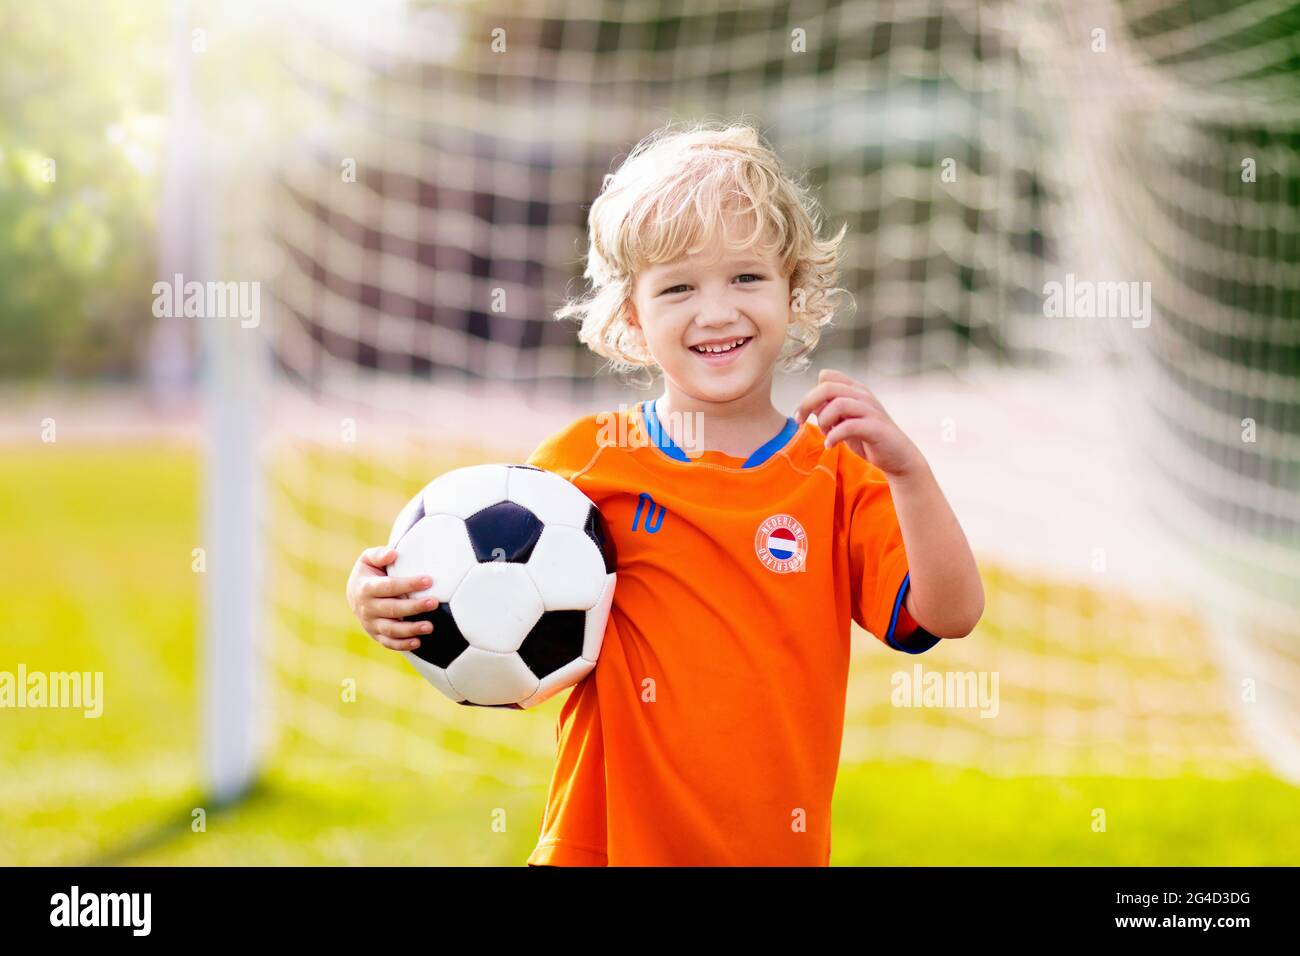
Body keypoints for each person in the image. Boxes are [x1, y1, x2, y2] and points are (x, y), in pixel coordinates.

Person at [346, 120, 984, 865]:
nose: (715, 312)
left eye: (746, 277)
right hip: (604, 850)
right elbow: (482, 590)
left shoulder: (838, 473)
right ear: (632, 317)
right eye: (678, 287)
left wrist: (909, 472)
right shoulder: (582, 467)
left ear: (794, 290)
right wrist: (380, 597)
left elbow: (950, 614)